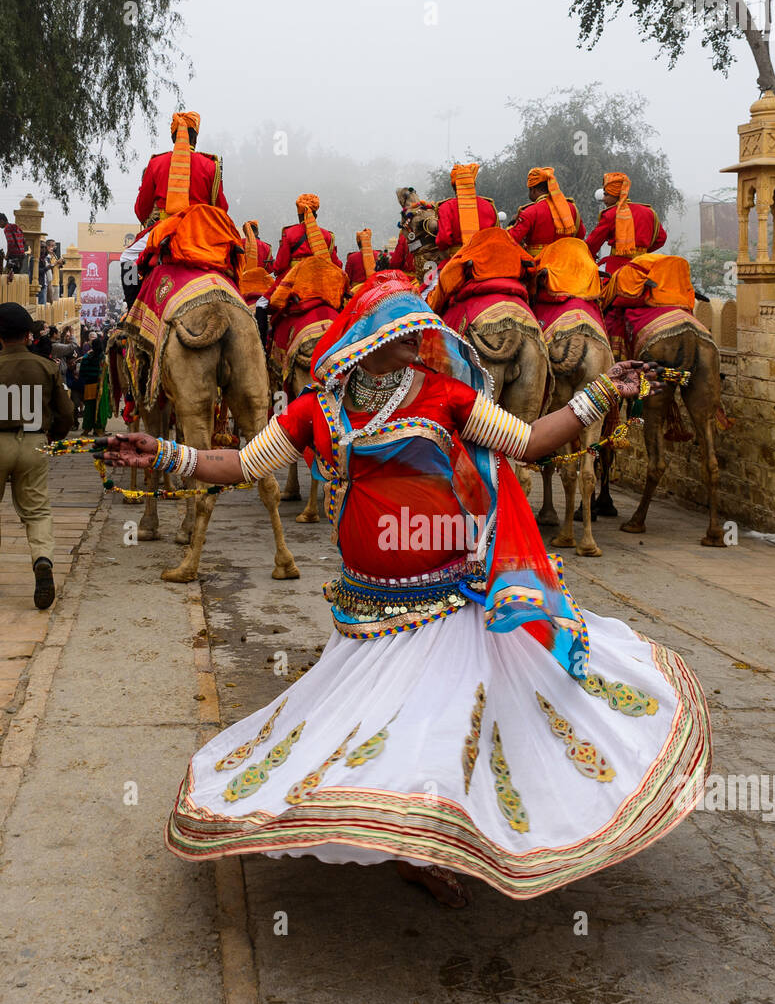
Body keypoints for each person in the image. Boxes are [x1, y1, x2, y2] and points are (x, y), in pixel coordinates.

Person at [103, 271, 711, 908]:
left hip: (449, 605)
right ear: (366, 334)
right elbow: (238, 464)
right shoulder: (316, 408)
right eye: (403, 330)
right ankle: (405, 844)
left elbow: (527, 443)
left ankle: (433, 851)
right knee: (375, 740)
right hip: (370, 612)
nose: (420, 338)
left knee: (441, 736)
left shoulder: (448, 396)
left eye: (421, 327)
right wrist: (164, 453)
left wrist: (599, 395)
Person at [0, 303, 76, 609]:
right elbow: (66, 413)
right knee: (37, 510)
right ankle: (42, 560)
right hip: (33, 442)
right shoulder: (46, 367)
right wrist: (54, 436)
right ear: (29, 336)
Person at [585, 171, 667, 275]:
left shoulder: (611, 214)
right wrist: (641, 252)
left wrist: (588, 255)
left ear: (616, 195)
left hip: (616, 268)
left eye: (606, 194)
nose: (604, 199)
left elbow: (592, 243)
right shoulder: (649, 212)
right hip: (643, 266)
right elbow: (661, 238)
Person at [508, 167, 587, 253]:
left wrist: (512, 224)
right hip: (565, 263)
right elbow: (581, 234)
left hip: (538, 264)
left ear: (533, 189)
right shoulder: (571, 208)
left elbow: (511, 239)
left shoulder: (529, 212)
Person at [432, 163, 499, 258]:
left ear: (454, 187)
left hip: (456, 260)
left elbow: (444, 239)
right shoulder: (488, 205)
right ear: (473, 184)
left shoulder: (446, 207)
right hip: (486, 260)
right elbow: (497, 236)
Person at [271, 194, 342, 278]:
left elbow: (281, 264)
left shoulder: (289, 232)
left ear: (299, 216)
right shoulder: (328, 235)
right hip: (320, 278)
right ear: (315, 216)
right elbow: (336, 264)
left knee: (272, 291)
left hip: (295, 278)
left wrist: (275, 267)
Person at [0, 213, 29, 280]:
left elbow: (11, 243)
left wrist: (7, 255)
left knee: (7, 277)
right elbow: (23, 241)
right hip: (21, 256)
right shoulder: (16, 227)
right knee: (16, 275)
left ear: (2, 221)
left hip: (13, 256)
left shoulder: (7, 228)